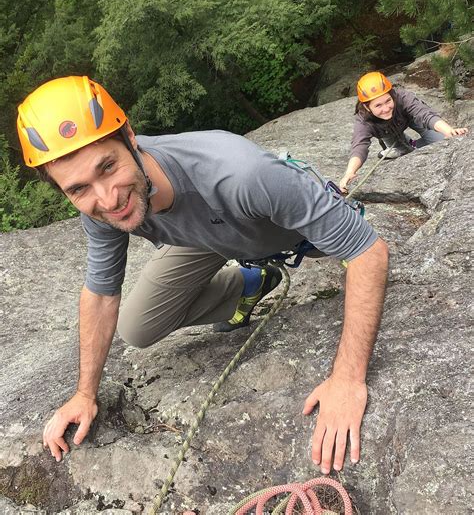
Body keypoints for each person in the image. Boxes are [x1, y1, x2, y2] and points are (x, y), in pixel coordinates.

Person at [17, 76, 389, 476]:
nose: (107, 198)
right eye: (78, 188)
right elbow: (102, 293)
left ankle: (257, 262)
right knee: (137, 328)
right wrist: (84, 393)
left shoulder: (239, 175)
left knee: (342, 250)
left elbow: (368, 250)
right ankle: (251, 283)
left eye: (108, 166)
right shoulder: (102, 205)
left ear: (129, 135)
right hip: (207, 236)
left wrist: (348, 379)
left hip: (270, 225)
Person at [339, 71, 468, 193]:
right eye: (378, 105)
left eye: (388, 101)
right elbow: (359, 145)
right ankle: (403, 146)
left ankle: (413, 144)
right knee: (405, 152)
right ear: (367, 107)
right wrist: (350, 172)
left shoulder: (402, 97)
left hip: (412, 119)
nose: (385, 108)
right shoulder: (364, 120)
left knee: (441, 140)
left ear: (392, 95)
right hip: (386, 133)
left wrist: (449, 131)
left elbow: (424, 115)